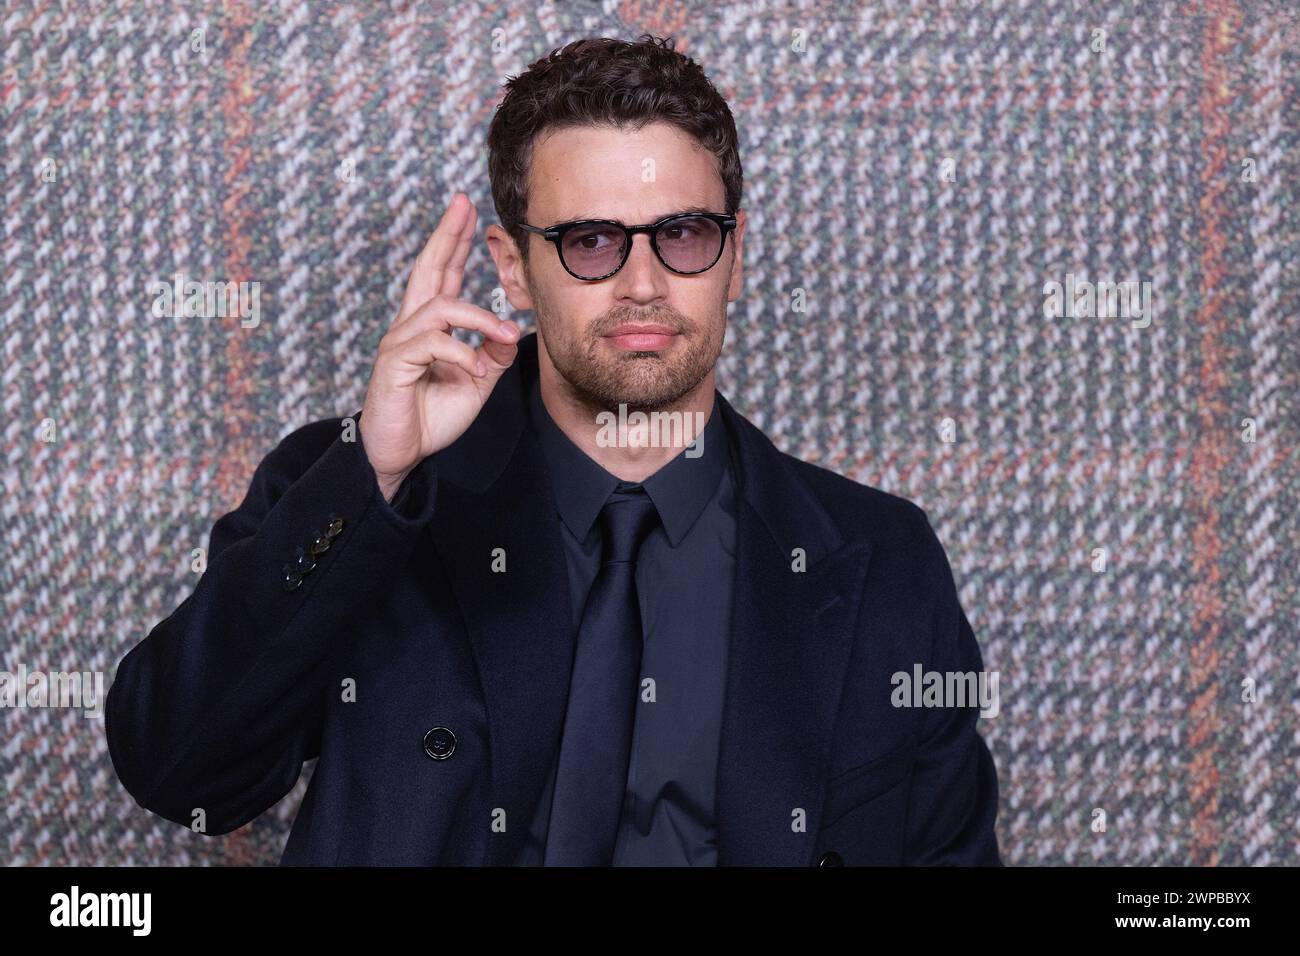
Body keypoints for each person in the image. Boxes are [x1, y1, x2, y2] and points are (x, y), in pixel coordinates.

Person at [105, 34, 1001, 866]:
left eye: (682, 234)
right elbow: (181, 773)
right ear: (509, 265)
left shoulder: (883, 558)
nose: (643, 285)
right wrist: (373, 478)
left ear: (734, 256)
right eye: (592, 241)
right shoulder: (362, 491)